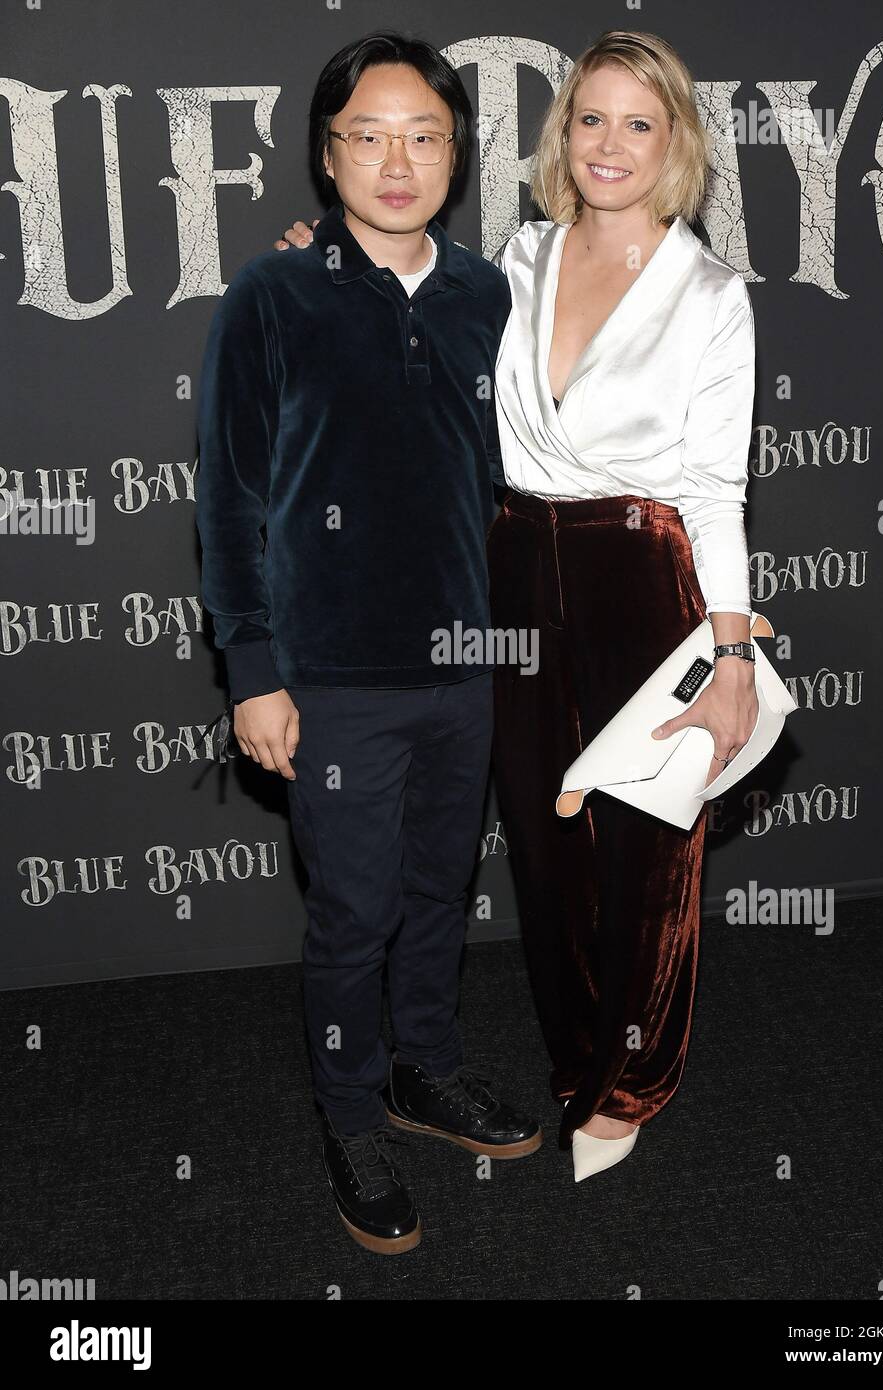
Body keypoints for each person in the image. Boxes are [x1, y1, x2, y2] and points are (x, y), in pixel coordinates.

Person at [277, 28, 759, 1183]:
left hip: (642, 570)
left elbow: (713, 487)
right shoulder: (517, 261)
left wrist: (730, 648)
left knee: (648, 847)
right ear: (562, 135)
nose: (610, 143)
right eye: (590, 117)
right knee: (547, 843)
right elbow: (404, 318)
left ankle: (629, 1076)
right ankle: (569, 1053)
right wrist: (318, 254)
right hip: (509, 564)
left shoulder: (708, 295)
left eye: (638, 123)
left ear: (675, 144)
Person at [195, 31, 540, 1258]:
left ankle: (423, 1072)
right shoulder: (273, 293)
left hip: (464, 667)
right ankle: (350, 1116)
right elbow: (230, 497)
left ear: (457, 152)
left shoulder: (489, 294)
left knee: (439, 892)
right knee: (350, 915)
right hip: (330, 677)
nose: (397, 161)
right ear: (326, 153)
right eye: (368, 135)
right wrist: (255, 670)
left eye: (425, 136)